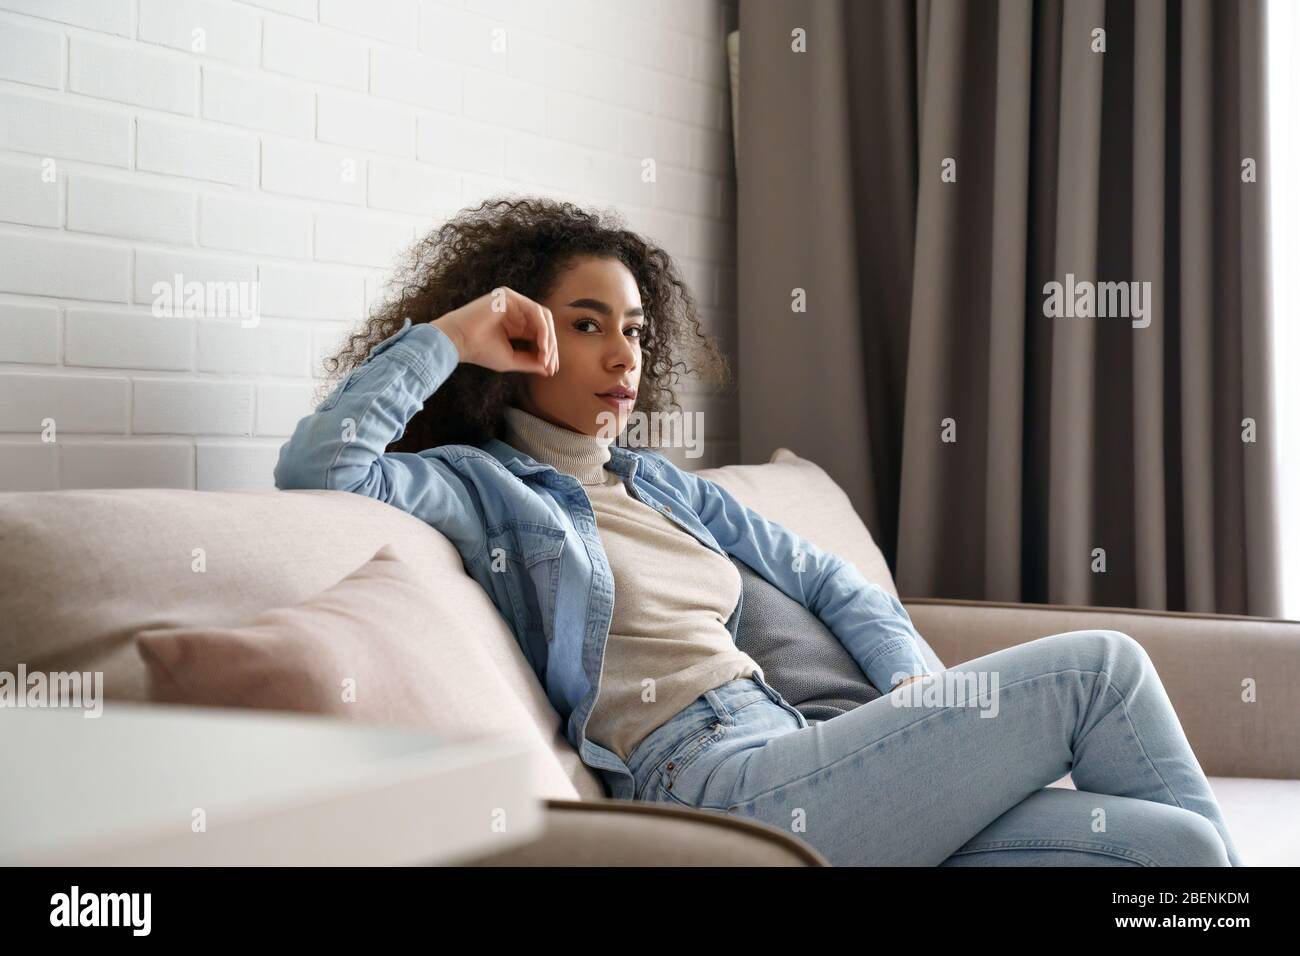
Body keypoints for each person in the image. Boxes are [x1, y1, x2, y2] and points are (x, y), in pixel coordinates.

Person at [275, 197, 1243, 866]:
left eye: (639, 329)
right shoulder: (482, 488)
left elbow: (833, 581)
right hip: (713, 790)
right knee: (1100, 668)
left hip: (805, 748)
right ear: (522, 336)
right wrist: (454, 333)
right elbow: (324, 469)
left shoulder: (663, 487)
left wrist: (910, 680)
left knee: (1176, 851)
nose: (623, 353)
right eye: (586, 324)